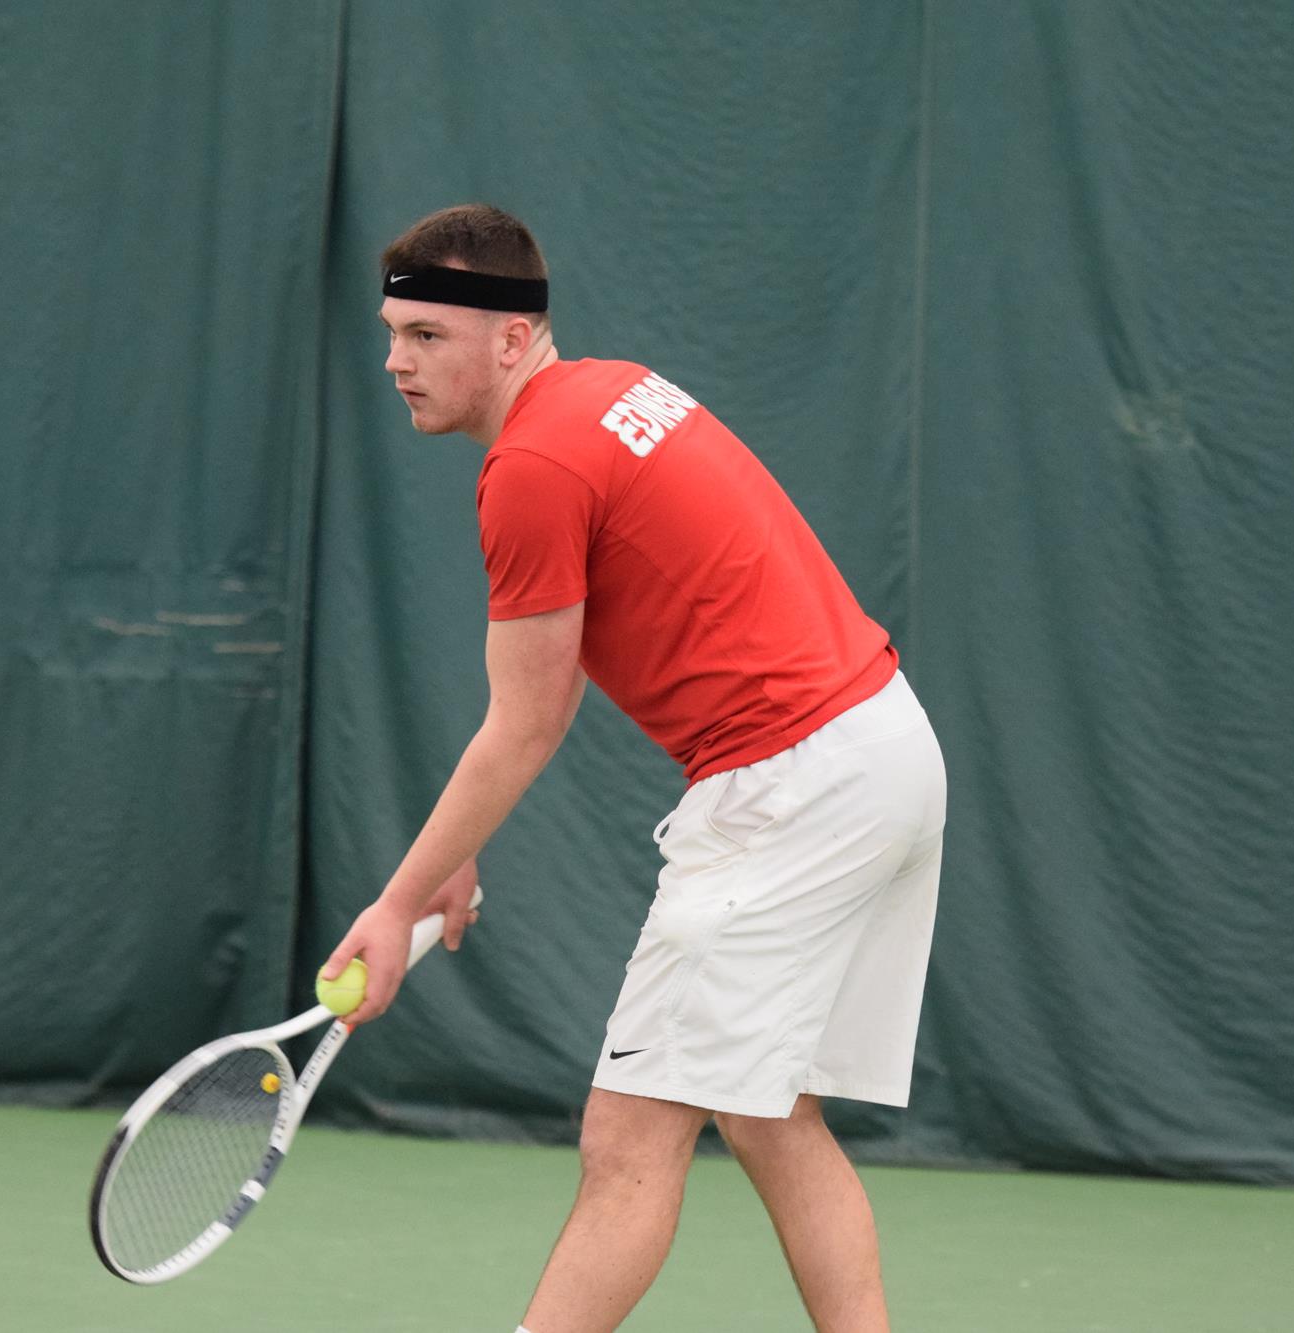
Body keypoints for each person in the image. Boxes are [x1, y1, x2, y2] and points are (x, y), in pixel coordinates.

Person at [320, 204, 947, 1333]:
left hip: (791, 783)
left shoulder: (531, 465)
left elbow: (526, 719)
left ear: (510, 338)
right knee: (766, 1114)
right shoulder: (615, 389)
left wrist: (399, 900)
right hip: (886, 746)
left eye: (427, 337)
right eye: (393, 332)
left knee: (628, 1138)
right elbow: (536, 704)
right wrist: (451, 854)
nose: (395, 363)